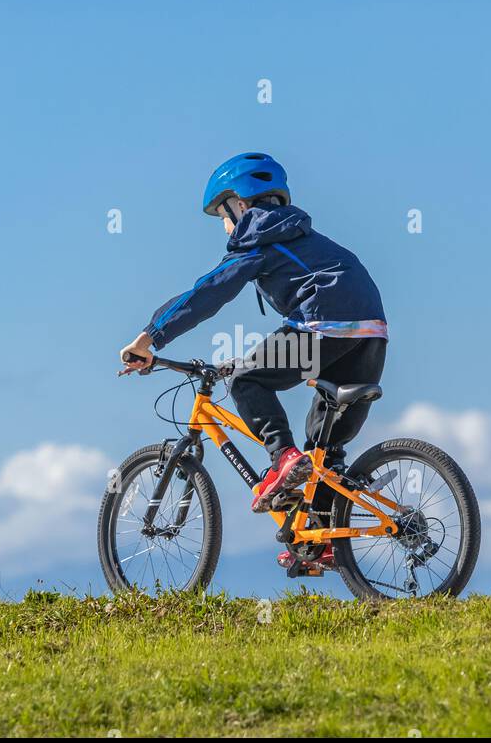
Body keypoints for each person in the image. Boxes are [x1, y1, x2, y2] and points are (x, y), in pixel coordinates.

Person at [119, 152, 388, 513]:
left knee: (246, 380)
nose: (225, 227)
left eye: (222, 217)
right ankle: (321, 542)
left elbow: (208, 292)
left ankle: (283, 457)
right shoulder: (305, 238)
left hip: (322, 325)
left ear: (240, 205)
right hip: (372, 334)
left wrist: (150, 337)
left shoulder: (258, 237)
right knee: (324, 456)